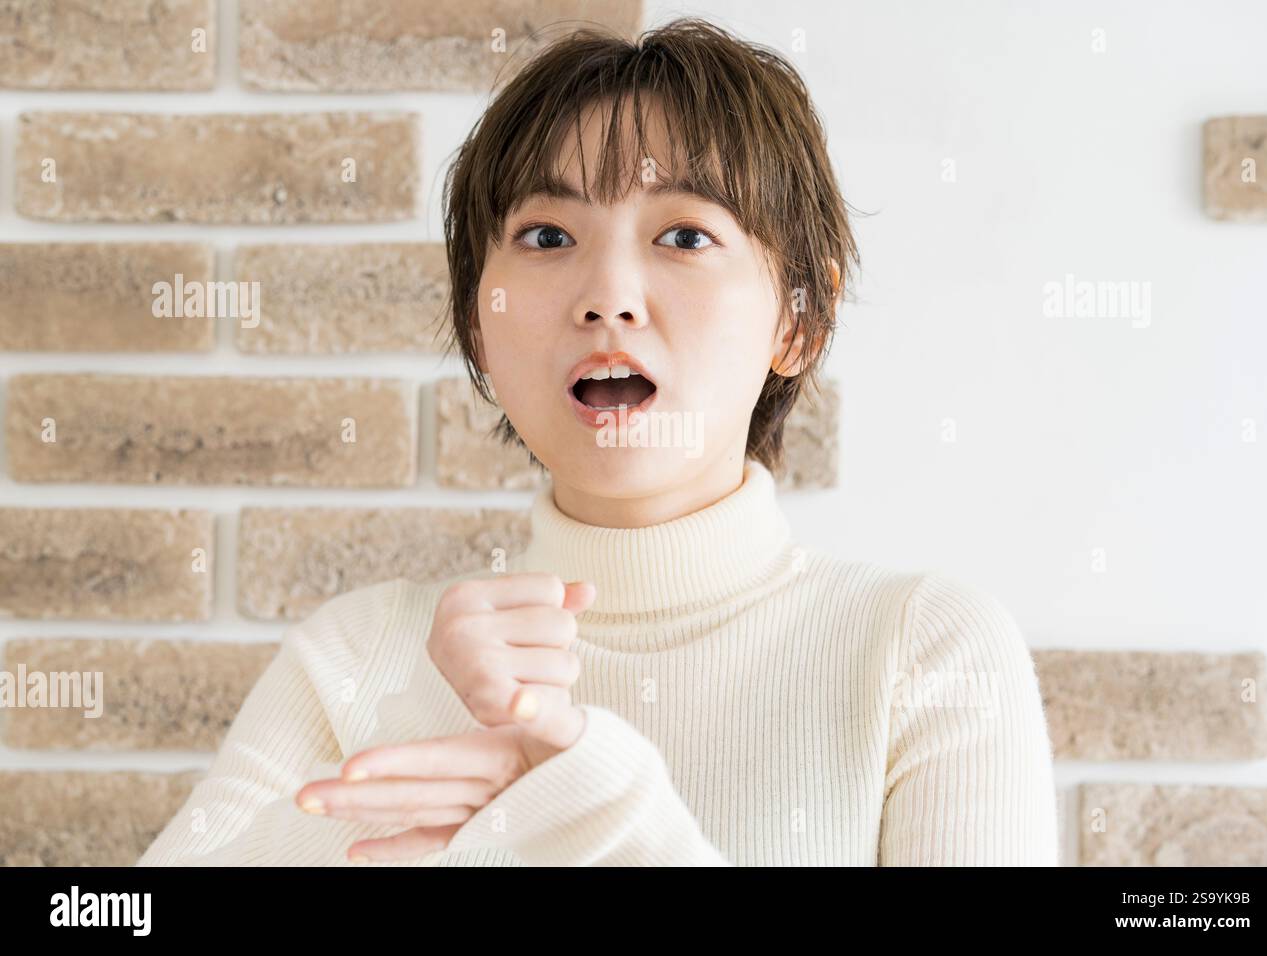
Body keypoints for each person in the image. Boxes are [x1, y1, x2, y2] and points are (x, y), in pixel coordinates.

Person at [137, 17, 1058, 867]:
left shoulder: (923, 652)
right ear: (479, 321)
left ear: (799, 321)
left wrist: (594, 801)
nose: (607, 295)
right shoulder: (357, 655)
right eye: (546, 235)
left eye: (685, 235)